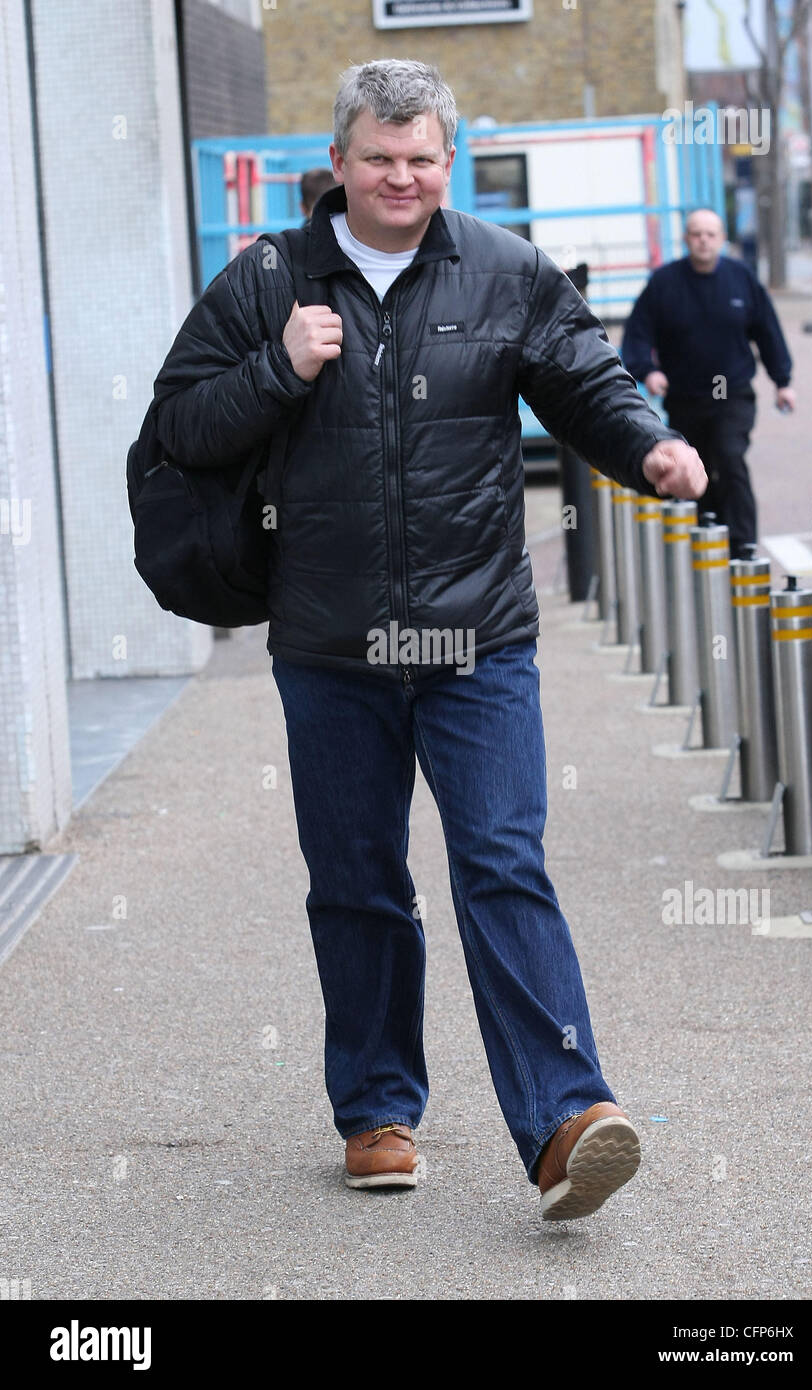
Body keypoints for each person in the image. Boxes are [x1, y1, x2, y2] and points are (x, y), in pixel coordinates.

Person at [152, 60, 705, 1221]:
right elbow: (182, 429)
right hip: (329, 648)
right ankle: (376, 1113)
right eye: (380, 159)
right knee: (358, 883)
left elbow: (586, 382)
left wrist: (650, 445)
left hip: (478, 641)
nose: (401, 178)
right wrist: (277, 367)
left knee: (504, 861)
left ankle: (566, 1120)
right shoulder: (264, 283)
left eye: (422, 160)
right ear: (339, 164)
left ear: (446, 163)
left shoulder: (505, 272)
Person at [621, 207, 795, 557]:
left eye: (710, 234)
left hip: (733, 395)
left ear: (722, 239)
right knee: (694, 467)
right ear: (686, 239)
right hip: (685, 397)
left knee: (730, 458)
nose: (703, 240)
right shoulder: (664, 283)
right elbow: (638, 334)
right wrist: (647, 371)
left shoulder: (741, 279)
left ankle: (743, 544)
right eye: (696, 234)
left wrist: (783, 381)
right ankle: (706, 537)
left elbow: (768, 331)